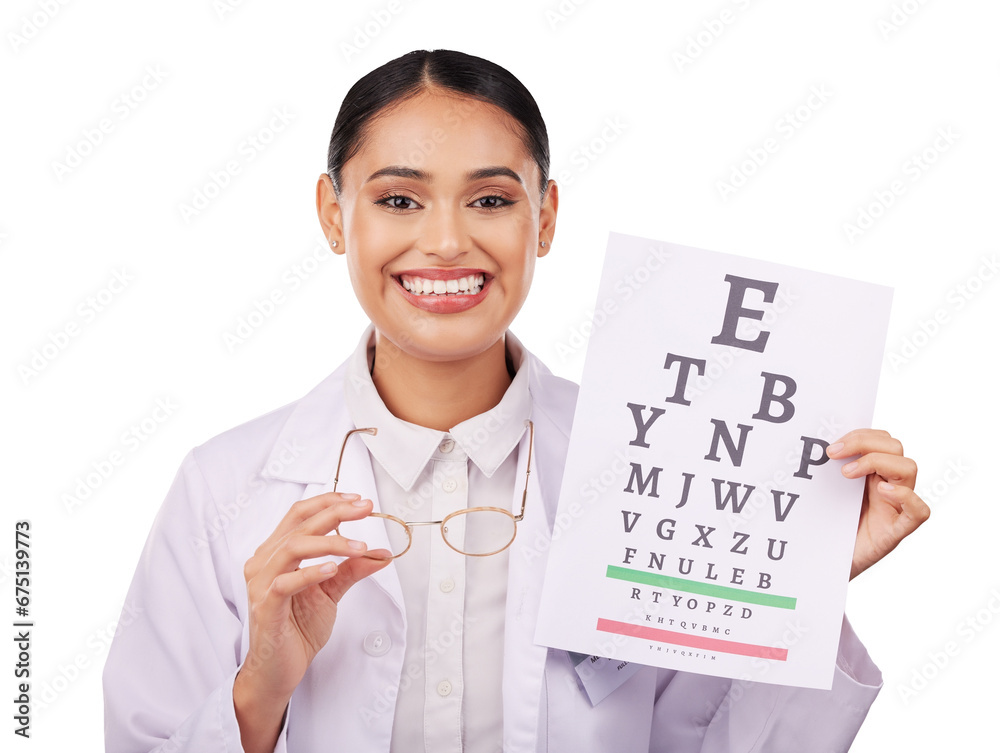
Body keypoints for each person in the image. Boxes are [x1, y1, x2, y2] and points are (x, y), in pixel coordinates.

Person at [102, 49, 930, 753]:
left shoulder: (648, 461)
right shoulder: (224, 487)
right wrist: (261, 688)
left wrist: (793, 580)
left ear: (545, 217)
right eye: (399, 198)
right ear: (333, 213)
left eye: (491, 199)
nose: (447, 240)